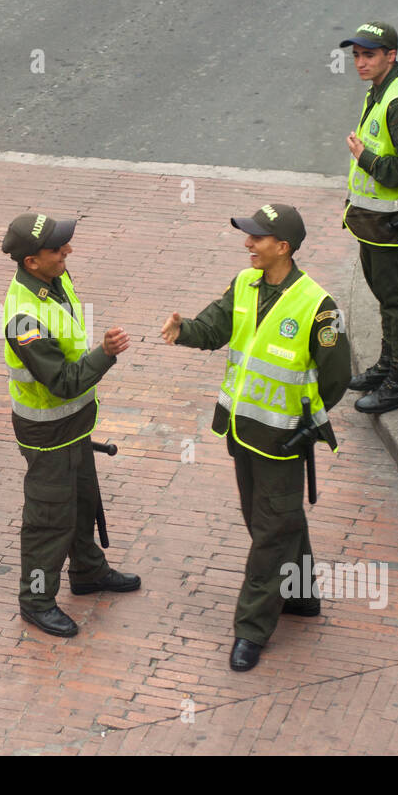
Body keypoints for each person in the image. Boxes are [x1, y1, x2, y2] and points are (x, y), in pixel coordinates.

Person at [160, 204, 350, 671]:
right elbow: (215, 327)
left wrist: (307, 425)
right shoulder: (244, 285)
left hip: (284, 439)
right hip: (243, 431)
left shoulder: (318, 306)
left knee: (269, 532)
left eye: (256, 238)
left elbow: (337, 377)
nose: (247, 244)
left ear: (282, 247)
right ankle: (302, 596)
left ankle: (251, 628)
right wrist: (184, 330)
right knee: (272, 520)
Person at [1, 212, 140, 638]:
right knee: (48, 519)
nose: (68, 252)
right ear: (31, 262)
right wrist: (104, 353)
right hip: (48, 433)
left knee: (81, 502)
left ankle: (87, 570)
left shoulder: (54, 279)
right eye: (58, 249)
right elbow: (62, 382)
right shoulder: (24, 319)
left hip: (74, 425)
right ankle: (36, 600)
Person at [339, 21, 398, 414]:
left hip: (393, 226)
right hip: (373, 224)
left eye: (369, 55)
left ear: (390, 56)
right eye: (357, 55)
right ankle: (386, 366)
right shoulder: (378, 89)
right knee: (385, 298)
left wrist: (367, 159)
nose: (360, 62)